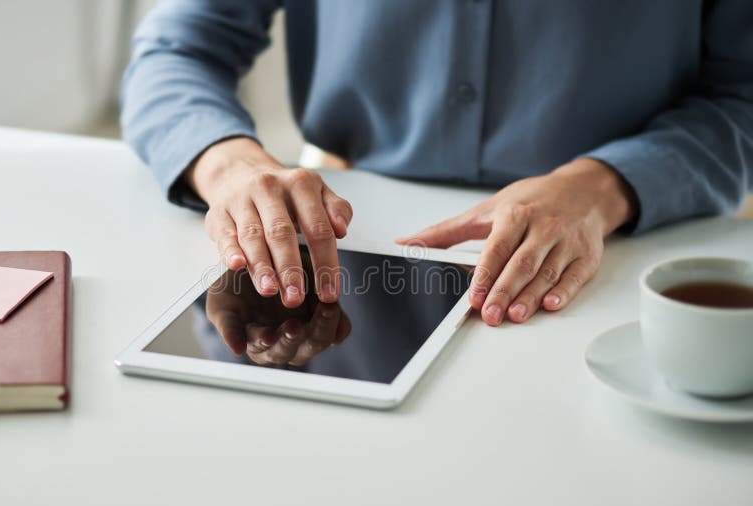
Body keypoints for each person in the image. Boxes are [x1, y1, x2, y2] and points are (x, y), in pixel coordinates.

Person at [121, 1, 752, 327]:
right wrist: (229, 165)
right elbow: (176, 51)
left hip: (627, 247)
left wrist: (600, 189)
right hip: (360, 233)